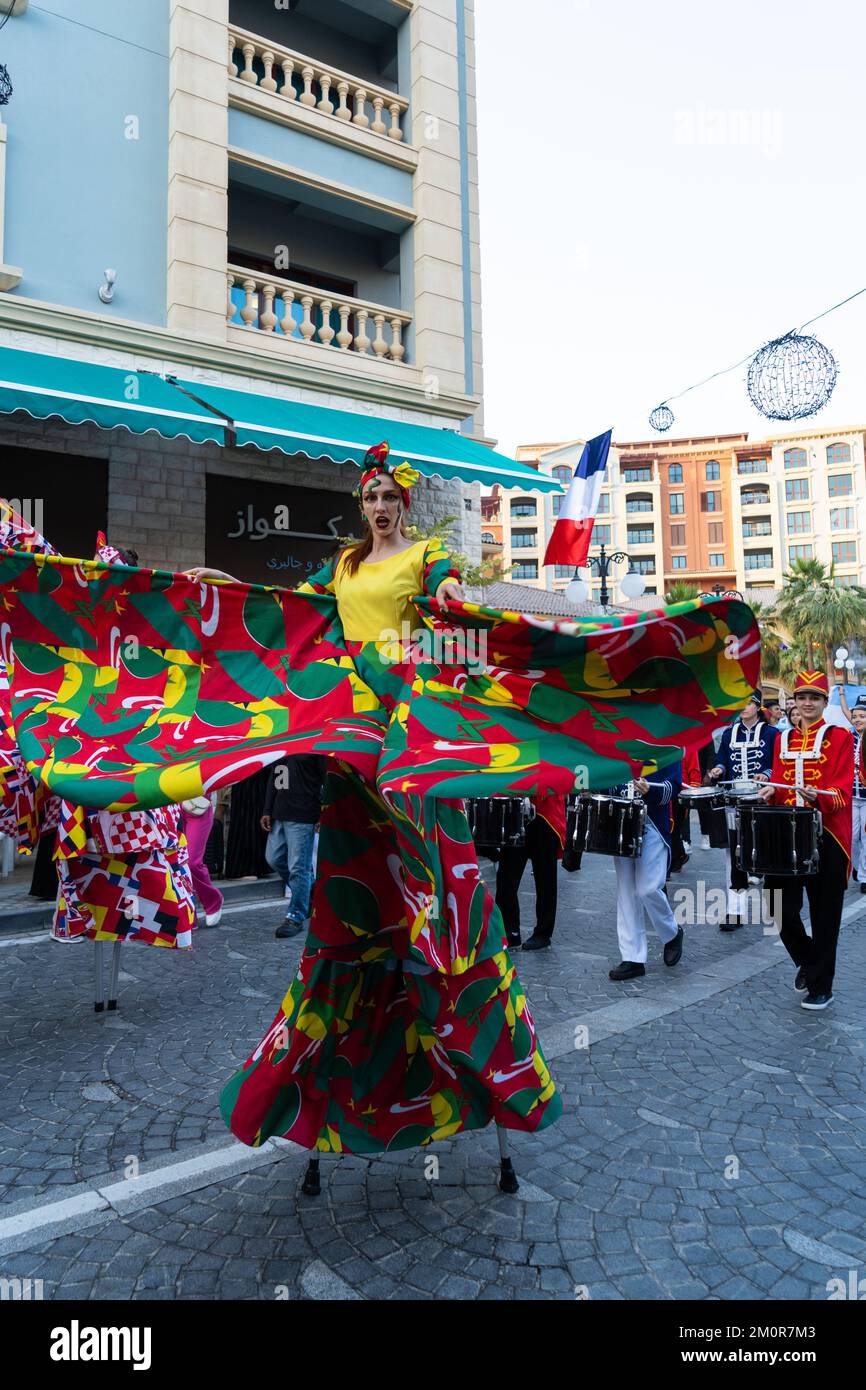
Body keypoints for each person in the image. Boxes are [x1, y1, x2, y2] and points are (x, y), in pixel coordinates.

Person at [0, 456, 760, 1162]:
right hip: (348, 735)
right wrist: (212, 579)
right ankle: (345, 1070)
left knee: (440, 899)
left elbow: (480, 603)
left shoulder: (427, 560)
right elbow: (294, 619)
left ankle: (481, 1056)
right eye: (373, 498)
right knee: (356, 901)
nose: (383, 508)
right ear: (360, 506)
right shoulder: (343, 565)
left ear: (405, 504)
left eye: (393, 498)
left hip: (408, 733)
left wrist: (575, 605)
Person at [760, 670, 853, 1011]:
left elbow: (842, 793)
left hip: (828, 835)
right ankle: (808, 958)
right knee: (776, 905)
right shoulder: (781, 740)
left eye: (815, 697)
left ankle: (821, 986)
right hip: (787, 834)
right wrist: (770, 792)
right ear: (794, 702)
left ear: (825, 703)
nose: (808, 703)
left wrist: (818, 796)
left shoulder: (840, 736)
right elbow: (781, 784)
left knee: (825, 914)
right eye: (802, 697)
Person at [708, 690, 778, 930]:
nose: (744, 707)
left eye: (748, 702)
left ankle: (776, 906)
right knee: (733, 853)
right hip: (734, 801)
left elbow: (778, 763)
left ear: (757, 706)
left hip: (761, 800)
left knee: (765, 850)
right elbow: (722, 759)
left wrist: (766, 774)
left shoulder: (772, 733)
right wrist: (718, 769)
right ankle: (734, 911)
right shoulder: (729, 734)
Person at [609, 764, 684, 981]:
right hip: (621, 822)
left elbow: (673, 787)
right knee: (625, 891)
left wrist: (650, 791)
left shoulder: (666, 741)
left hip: (652, 823)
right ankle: (632, 957)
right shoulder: (615, 739)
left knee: (648, 888)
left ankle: (672, 932)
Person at [261, 753, 325, 940]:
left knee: (299, 868)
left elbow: (326, 780)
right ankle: (309, 892)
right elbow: (275, 777)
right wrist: (267, 809)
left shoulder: (314, 746)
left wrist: (323, 812)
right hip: (280, 813)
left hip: (303, 813)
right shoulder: (285, 745)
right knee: (273, 858)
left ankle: (295, 915)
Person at [494, 793, 566, 952]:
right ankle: (509, 931)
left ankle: (543, 933)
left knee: (545, 880)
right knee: (506, 876)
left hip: (545, 814)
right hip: (516, 809)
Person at [836, 686, 866, 890]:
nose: (856, 719)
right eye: (854, 717)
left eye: (862, 716)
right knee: (852, 837)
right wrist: (841, 696)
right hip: (851, 796)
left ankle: (864, 876)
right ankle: (856, 867)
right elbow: (846, 714)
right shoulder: (848, 737)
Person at [181, 794, 224, 927]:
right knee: (176, 863)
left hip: (197, 804)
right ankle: (187, 914)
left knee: (192, 862)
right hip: (169, 806)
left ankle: (213, 900)